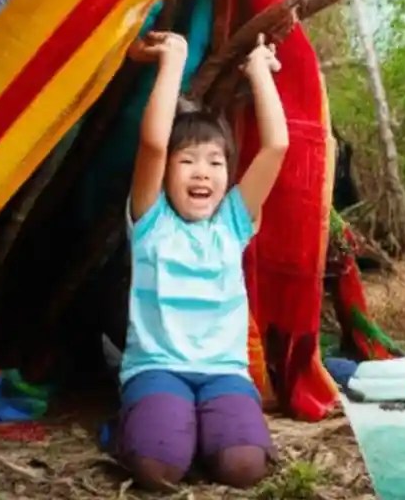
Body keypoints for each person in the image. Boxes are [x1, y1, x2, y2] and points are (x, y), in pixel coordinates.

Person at [113, 30, 287, 490]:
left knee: (245, 468)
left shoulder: (232, 223)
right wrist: (175, 58)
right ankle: (146, 427)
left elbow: (277, 147)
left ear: (228, 175)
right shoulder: (151, 220)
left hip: (223, 374)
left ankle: (198, 430)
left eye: (215, 162)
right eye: (187, 160)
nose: (202, 172)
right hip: (157, 367)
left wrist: (258, 72)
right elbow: (153, 142)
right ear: (168, 171)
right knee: (157, 469)